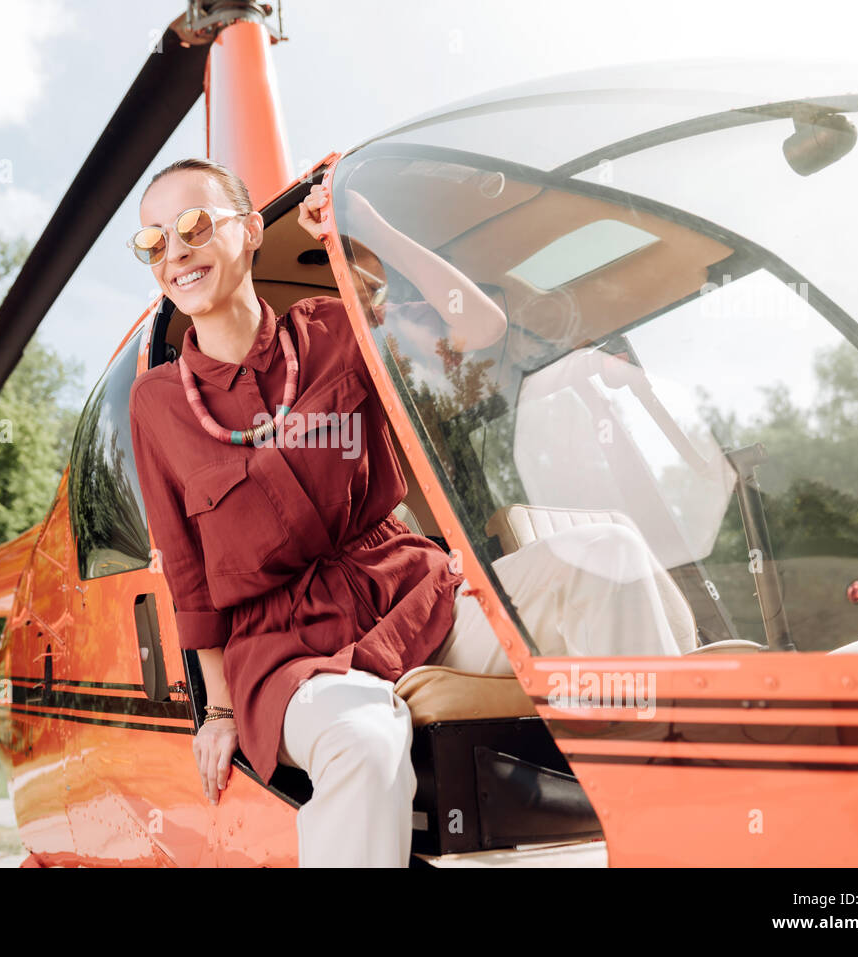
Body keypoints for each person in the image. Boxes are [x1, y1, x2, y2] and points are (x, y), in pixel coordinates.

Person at [127, 158, 694, 867]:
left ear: (247, 232)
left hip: (414, 596)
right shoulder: (156, 402)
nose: (174, 251)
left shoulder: (337, 327)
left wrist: (367, 227)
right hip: (287, 652)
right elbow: (188, 574)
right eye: (152, 242)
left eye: (192, 225)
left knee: (608, 553)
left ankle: (667, 834)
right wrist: (216, 711)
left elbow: (479, 327)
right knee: (364, 740)